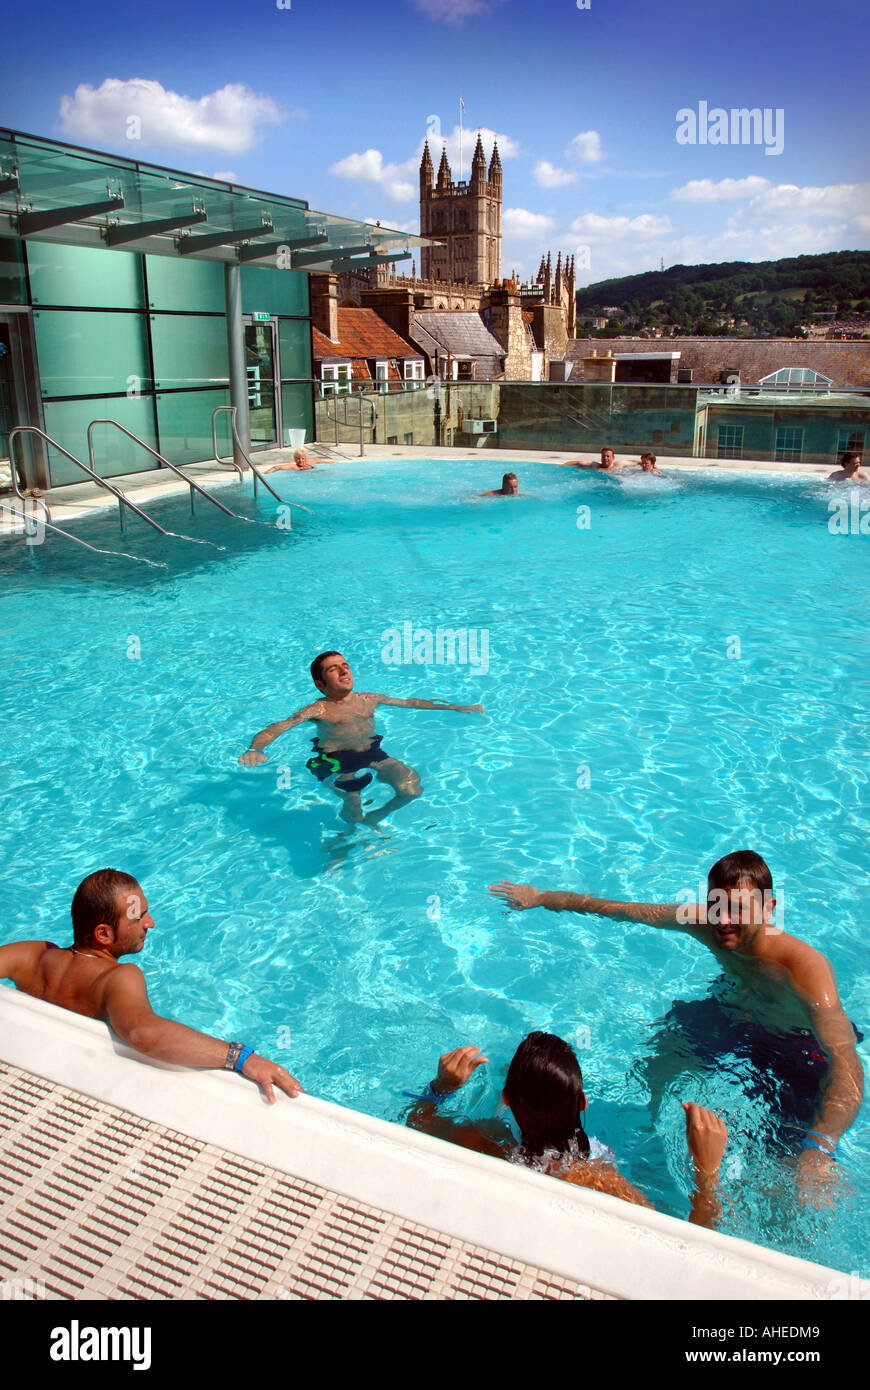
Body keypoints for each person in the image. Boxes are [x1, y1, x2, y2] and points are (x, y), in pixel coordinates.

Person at [489, 851, 863, 1195]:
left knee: (783, 1161)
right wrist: (541, 897)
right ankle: (654, 1133)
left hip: (793, 1049)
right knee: (667, 1045)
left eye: (738, 909)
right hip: (735, 1017)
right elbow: (623, 910)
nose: (724, 920)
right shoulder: (706, 922)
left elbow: (846, 1058)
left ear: (769, 909)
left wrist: (819, 1146)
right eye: (716, 905)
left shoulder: (805, 970)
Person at [0, 870, 301, 1104]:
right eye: (138, 916)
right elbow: (144, 1032)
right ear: (104, 934)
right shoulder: (117, 978)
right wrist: (241, 1057)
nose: (150, 923)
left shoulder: (33, 955)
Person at [405, 1033, 728, 1228]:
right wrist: (707, 1173)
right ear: (583, 1103)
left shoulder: (482, 1140)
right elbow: (687, 1248)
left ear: (505, 1098)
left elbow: (417, 1124)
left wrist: (440, 1088)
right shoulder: (598, 1179)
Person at [240, 651, 484, 827]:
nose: (344, 670)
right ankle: (348, 836)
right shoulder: (318, 710)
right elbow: (276, 728)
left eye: (345, 665)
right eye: (333, 668)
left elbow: (412, 703)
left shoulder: (369, 698)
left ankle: (377, 816)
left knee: (411, 789)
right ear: (320, 684)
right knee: (353, 811)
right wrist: (256, 748)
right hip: (335, 760)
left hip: (371, 752)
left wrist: (455, 707)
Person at [559, 446, 629, 472]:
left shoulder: (619, 465)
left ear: (613, 457)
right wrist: (562, 465)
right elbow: (577, 462)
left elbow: (636, 463)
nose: (605, 458)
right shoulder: (595, 465)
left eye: (608, 456)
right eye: (603, 456)